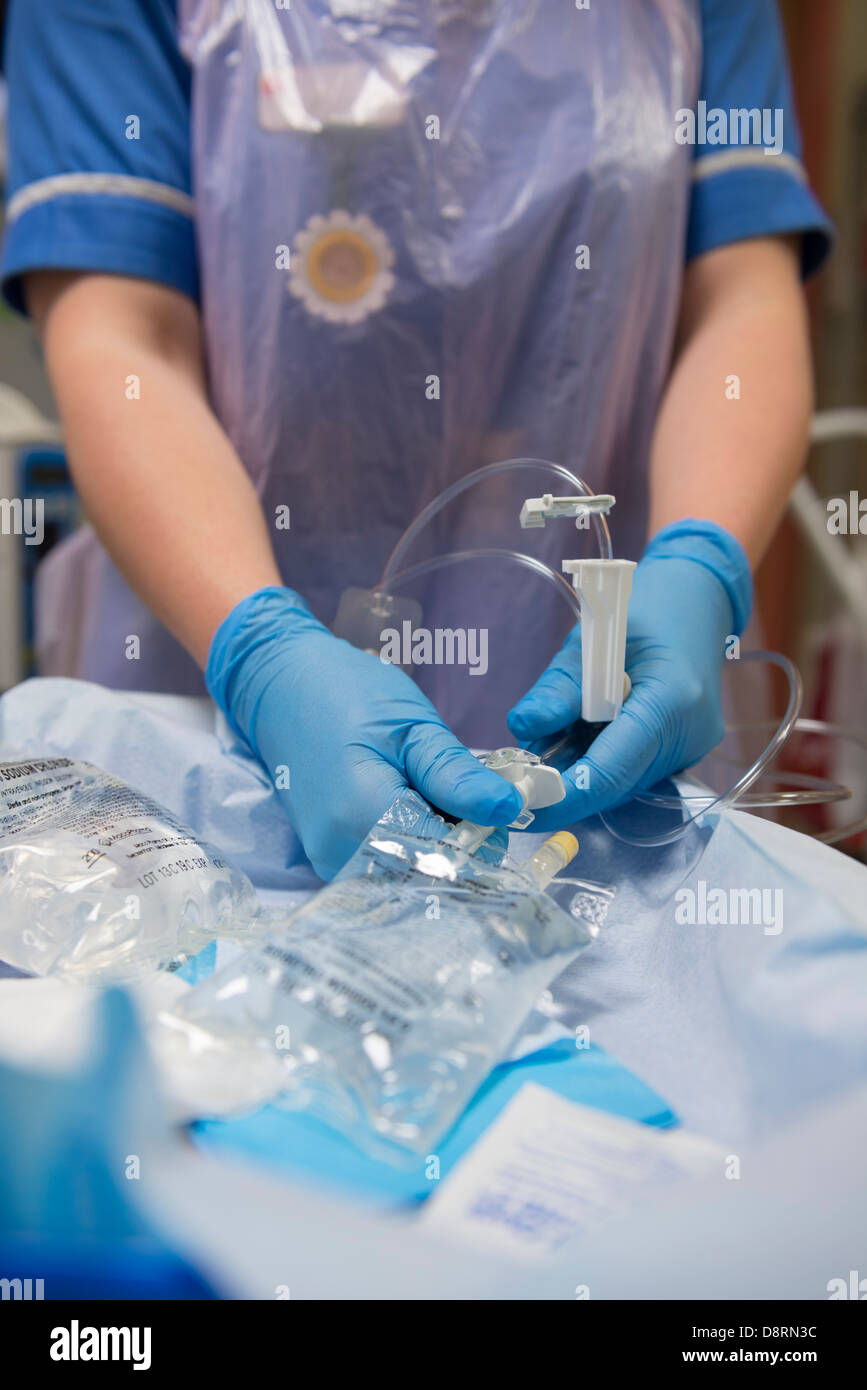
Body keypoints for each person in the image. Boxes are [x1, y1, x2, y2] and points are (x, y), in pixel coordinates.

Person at [1, 1, 832, 877]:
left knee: (613, 956)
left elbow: (740, 296)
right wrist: (259, 655)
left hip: (601, 688)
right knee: (193, 948)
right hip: (206, 638)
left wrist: (698, 564)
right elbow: (126, 340)